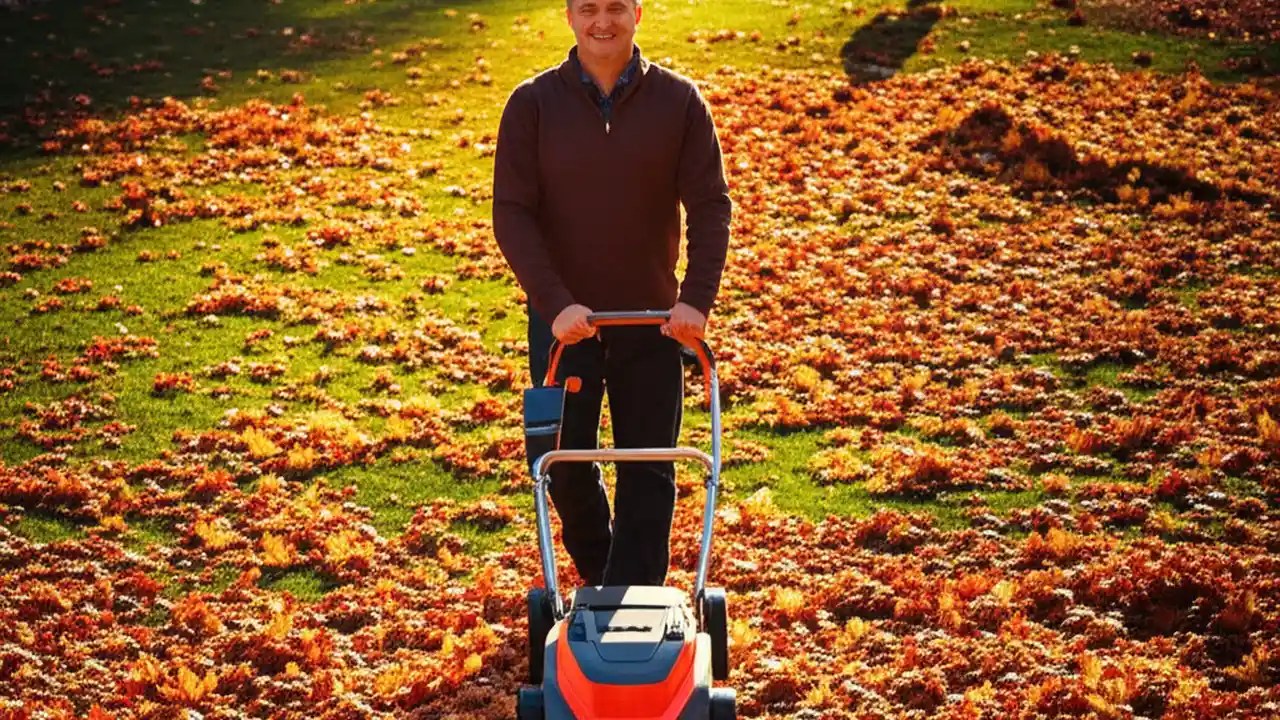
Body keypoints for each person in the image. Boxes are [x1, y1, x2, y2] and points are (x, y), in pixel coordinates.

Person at [492, 0, 731, 588]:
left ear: (638, 14)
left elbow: (710, 206)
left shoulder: (678, 102)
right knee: (563, 466)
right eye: (589, 8)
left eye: (616, 7)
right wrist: (555, 302)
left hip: (654, 324)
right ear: (570, 16)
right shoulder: (533, 105)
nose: (604, 20)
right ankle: (605, 587)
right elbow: (512, 214)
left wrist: (695, 301)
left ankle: (637, 605)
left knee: (649, 470)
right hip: (563, 327)